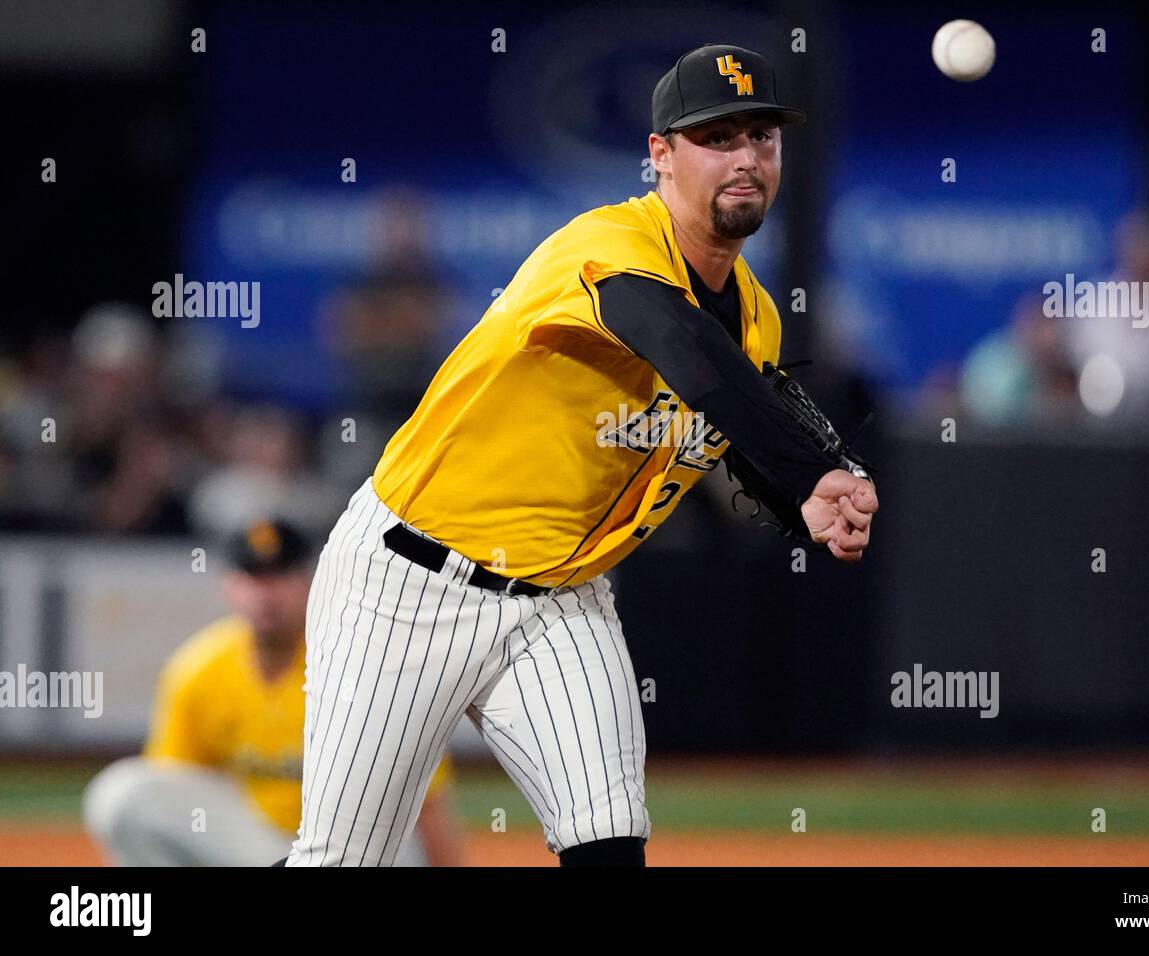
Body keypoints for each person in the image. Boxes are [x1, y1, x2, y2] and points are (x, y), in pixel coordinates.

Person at [286, 43, 877, 869]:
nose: (746, 158)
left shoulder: (757, 320)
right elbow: (685, 353)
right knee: (341, 864)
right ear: (660, 157)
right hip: (411, 581)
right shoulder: (604, 245)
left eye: (762, 137)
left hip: (562, 602)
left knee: (609, 845)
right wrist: (805, 468)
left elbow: (729, 426)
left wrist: (798, 495)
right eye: (718, 137)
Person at [83, 518, 463, 866]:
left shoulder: (363, 667)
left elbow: (427, 805)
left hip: (349, 849)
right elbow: (178, 784)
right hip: (255, 843)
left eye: (280, 576)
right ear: (230, 586)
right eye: (253, 577)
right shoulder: (198, 668)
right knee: (122, 795)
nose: (266, 594)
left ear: (310, 581)